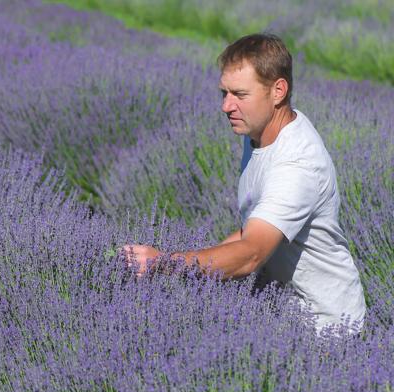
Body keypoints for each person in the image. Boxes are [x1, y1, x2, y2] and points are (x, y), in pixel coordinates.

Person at [122, 33, 366, 333]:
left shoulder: (297, 165)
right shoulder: (261, 133)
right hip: (281, 309)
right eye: (224, 93)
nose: (226, 106)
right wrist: (189, 263)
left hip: (326, 326)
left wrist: (165, 264)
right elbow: (254, 227)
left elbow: (251, 253)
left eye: (240, 94)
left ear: (278, 91)